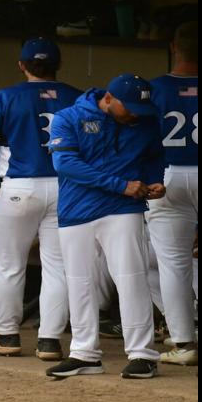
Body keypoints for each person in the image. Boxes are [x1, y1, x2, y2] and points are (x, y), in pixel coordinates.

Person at [0, 38, 82, 361]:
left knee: (8, 265)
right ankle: (49, 341)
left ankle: (6, 335)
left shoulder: (7, 96)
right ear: (58, 64)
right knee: (57, 267)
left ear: (22, 65)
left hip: (20, 187)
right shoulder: (78, 97)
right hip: (65, 186)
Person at [44, 74, 164, 380]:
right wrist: (121, 185)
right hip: (78, 209)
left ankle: (142, 354)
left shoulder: (145, 121)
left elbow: (153, 156)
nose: (136, 113)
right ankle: (84, 353)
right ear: (108, 98)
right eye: (131, 107)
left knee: (131, 279)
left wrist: (155, 180)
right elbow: (66, 164)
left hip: (124, 209)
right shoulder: (68, 117)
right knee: (80, 283)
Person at [146, 21, 198, 367]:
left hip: (167, 178)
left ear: (173, 47)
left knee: (174, 264)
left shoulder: (153, 89)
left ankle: (184, 343)